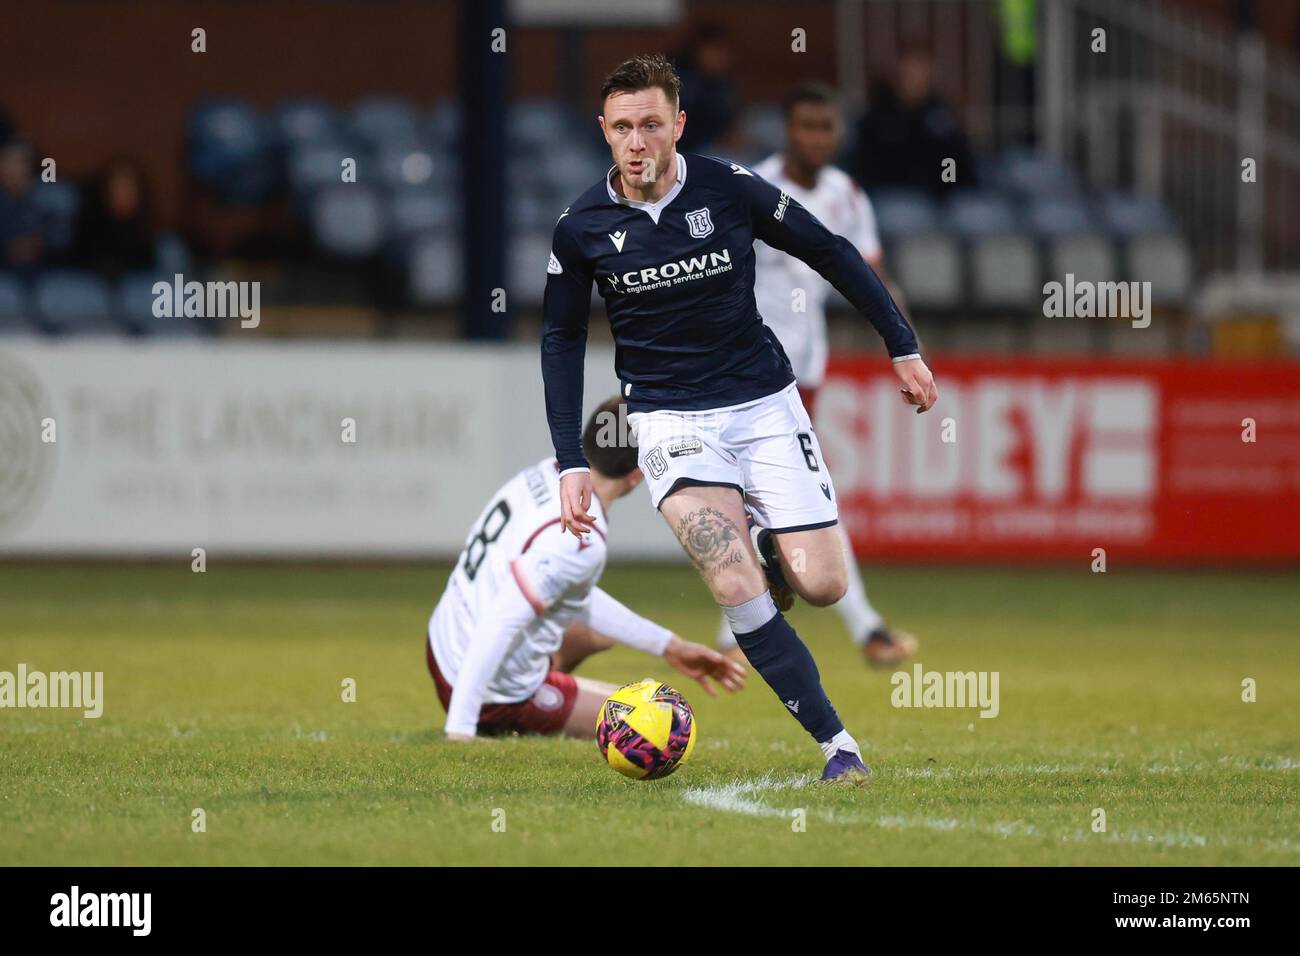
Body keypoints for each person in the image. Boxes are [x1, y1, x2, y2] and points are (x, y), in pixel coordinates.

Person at [541, 55, 938, 783]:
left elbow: (830, 250)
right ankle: (837, 747)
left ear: (678, 126)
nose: (637, 142)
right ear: (604, 131)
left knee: (822, 585)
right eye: (622, 127)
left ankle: (769, 545)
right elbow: (562, 338)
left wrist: (901, 345)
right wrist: (571, 459)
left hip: (762, 404)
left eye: (651, 125)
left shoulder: (729, 188)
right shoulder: (581, 228)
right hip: (666, 420)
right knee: (731, 584)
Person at [716, 81, 918, 669]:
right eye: (806, 126)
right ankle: (868, 630)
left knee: (763, 504)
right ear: (788, 129)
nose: (816, 138)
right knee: (802, 496)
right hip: (748, 368)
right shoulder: (752, 188)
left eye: (826, 127)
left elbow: (868, 273)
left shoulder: (846, 195)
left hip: (806, 370)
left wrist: (902, 342)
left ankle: (735, 637)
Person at [427, 397, 745, 741]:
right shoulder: (578, 540)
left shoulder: (546, 471)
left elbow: (571, 590)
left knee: (596, 633)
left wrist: (670, 646)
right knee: (665, 724)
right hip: (481, 685)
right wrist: (460, 728)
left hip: (444, 639)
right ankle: (514, 707)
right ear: (639, 476)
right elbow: (500, 622)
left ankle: (539, 684)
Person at [849, 46, 977, 196]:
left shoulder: (942, 113)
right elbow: (868, 163)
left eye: (922, 72)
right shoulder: (878, 115)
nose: (917, 79)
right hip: (893, 194)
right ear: (899, 74)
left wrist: (947, 185)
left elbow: (955, 158)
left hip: (941, 197)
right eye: (911, 72)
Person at [75, 157, 156, 278]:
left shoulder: (148, 234)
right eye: (118, 187)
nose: (123, 194)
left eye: (129, 188)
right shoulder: (89, 232)